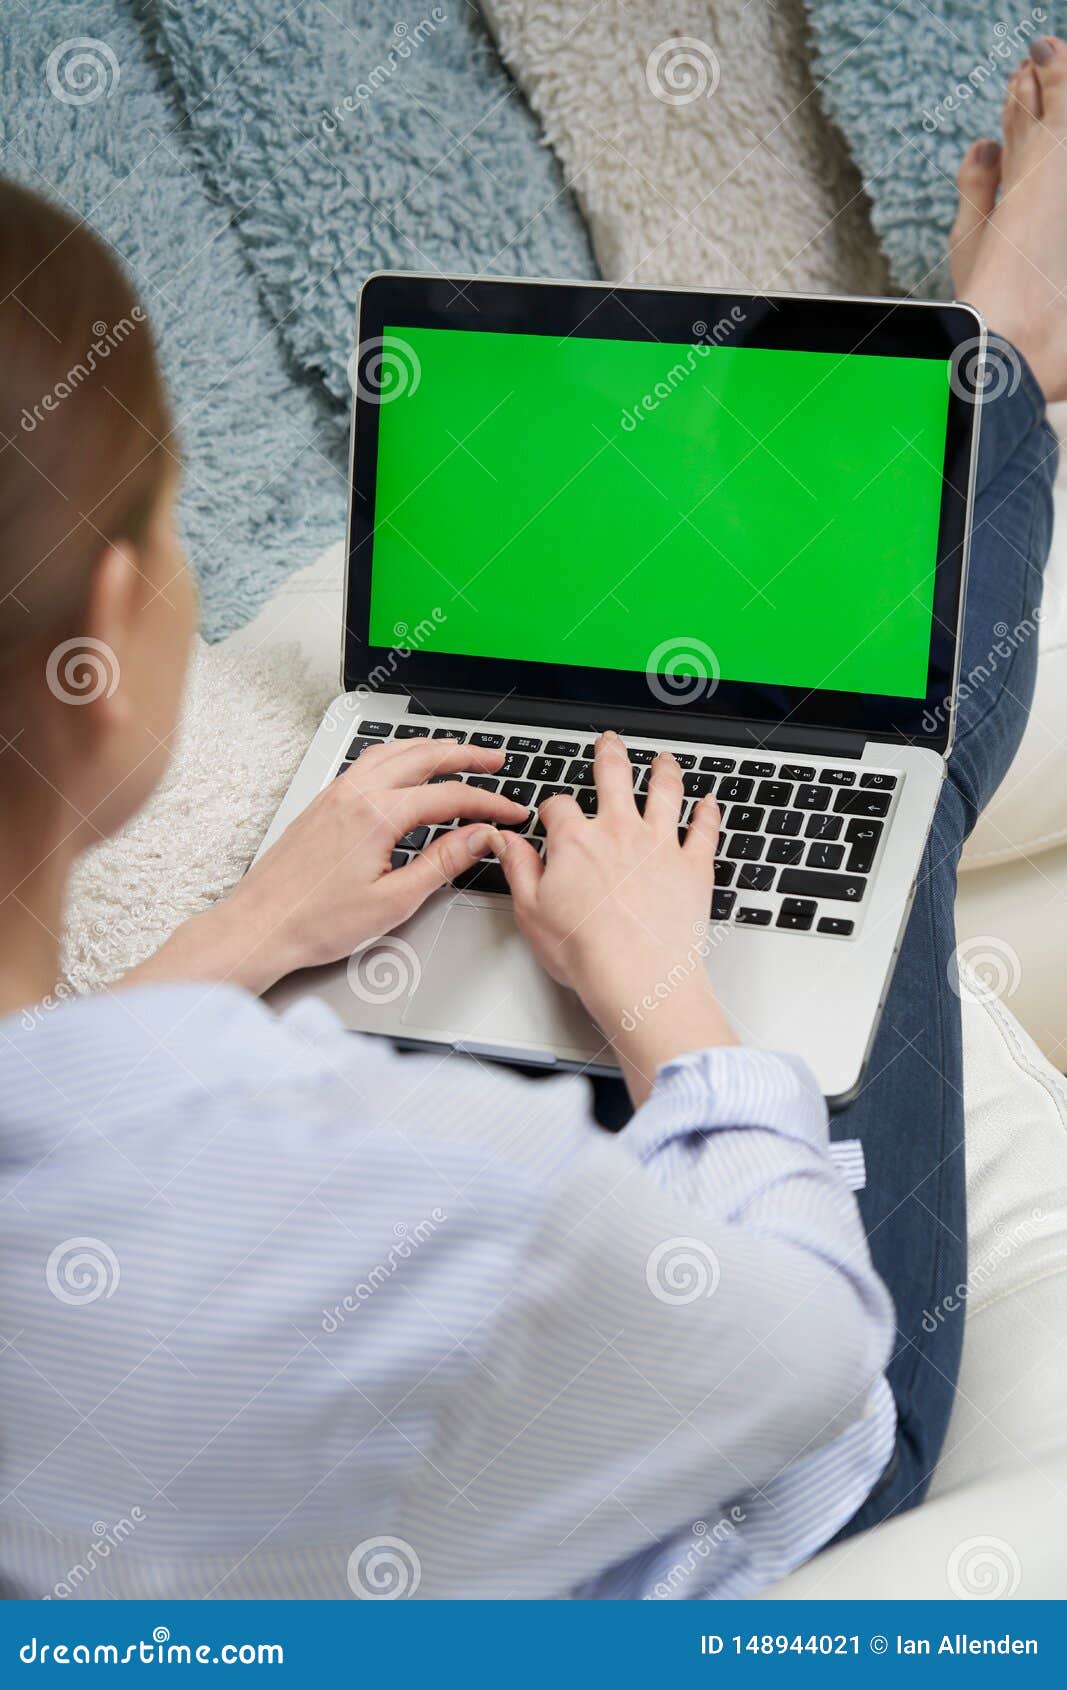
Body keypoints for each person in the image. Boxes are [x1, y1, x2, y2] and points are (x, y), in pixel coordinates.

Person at [0, 43, 1062, 1600]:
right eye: (168, 522)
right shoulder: (420, 1173)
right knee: (901, 774)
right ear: (103, 642)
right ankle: (1009, 371)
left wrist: (254, 929)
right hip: (745, 1493)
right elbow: (814, 1366)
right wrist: (659, 994)